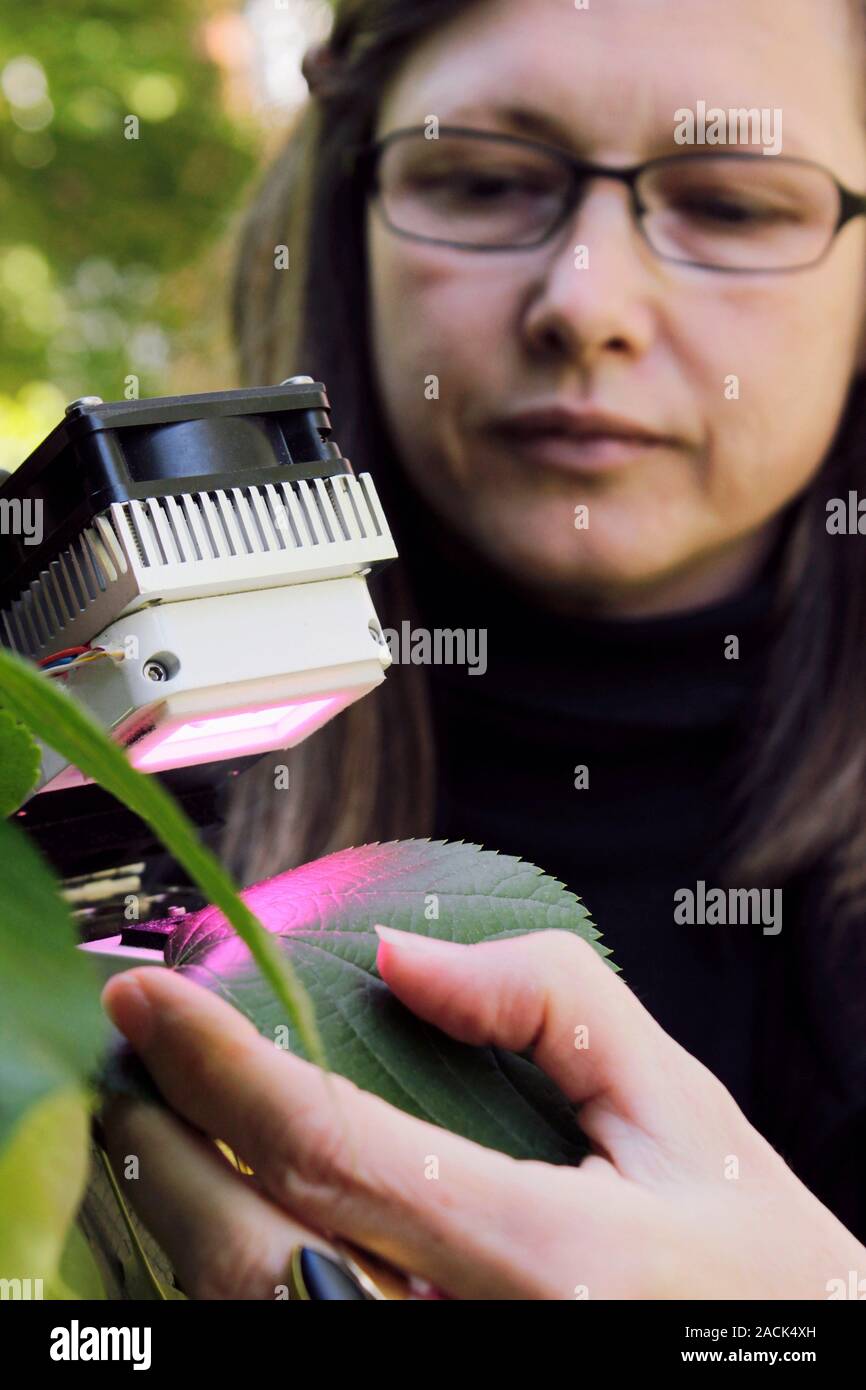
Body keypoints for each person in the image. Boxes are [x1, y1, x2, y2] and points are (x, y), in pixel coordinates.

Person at [101, 0, 866, 1298]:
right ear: (347, 224)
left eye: (731, 205)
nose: (586, 303)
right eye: (480, 180)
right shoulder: (95, 786)